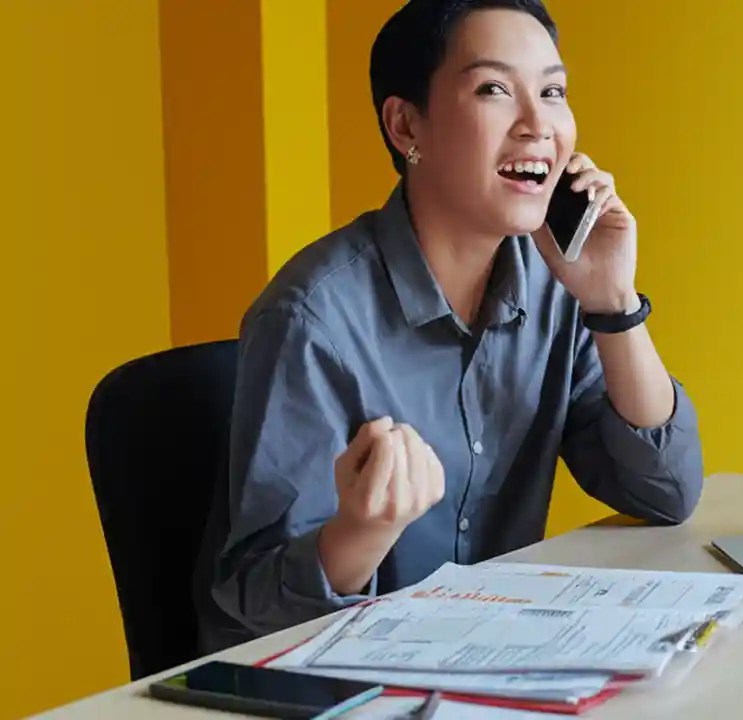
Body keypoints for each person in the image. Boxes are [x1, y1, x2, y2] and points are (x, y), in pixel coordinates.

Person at [195, 0, 704, 652]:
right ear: (407, 125)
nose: (537, 125)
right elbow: (254, 612)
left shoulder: (555, 283)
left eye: (552, 92)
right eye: (494, 89)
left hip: (489, 659)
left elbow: (666, 492)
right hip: (338, 680)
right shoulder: (312, 319)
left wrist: (613, 304)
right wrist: (362, 531)